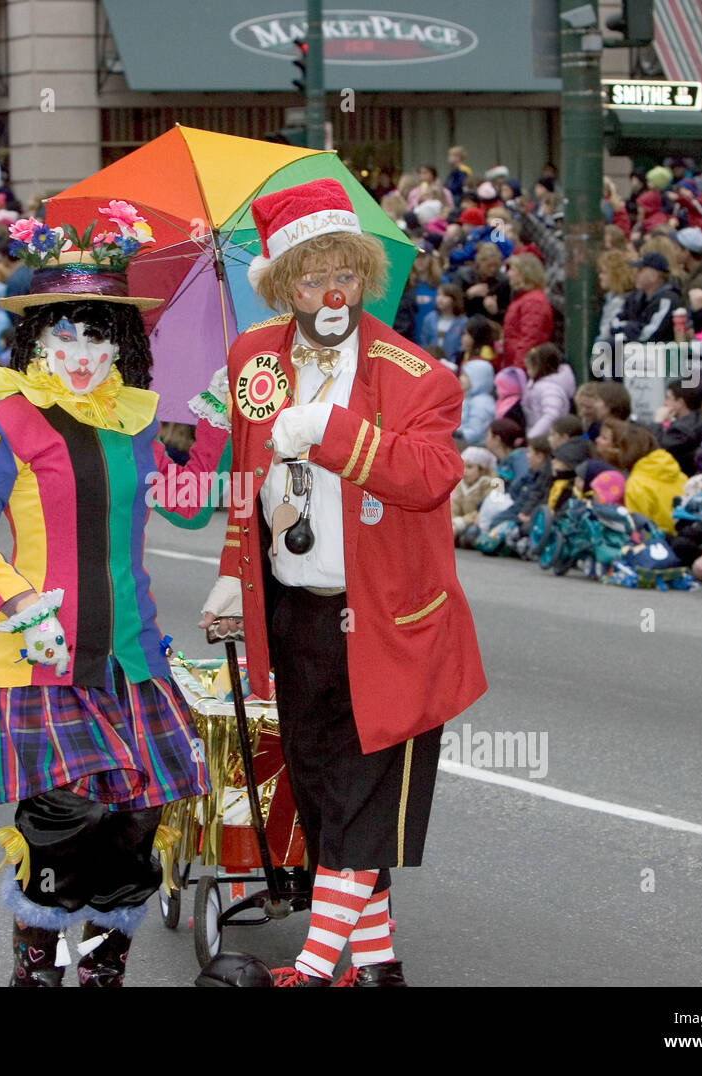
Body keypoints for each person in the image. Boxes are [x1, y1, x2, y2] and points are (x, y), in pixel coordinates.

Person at [198, 177, 486, 988]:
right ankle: (379, 961)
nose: (332, 291)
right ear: (284, 283)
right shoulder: (251, 356)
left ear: (364, 276)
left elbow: (430, 475)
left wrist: (331, 430)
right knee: (323, 786)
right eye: (312, 273)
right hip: (294, 609)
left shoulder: (414, 373)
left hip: (389, 618)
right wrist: (231, 576)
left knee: (363, 799)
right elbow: (244, 475)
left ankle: (320, 966)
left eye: (347, 273)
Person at [0, 212, 226, 988]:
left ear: (120, 347)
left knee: (134, 826)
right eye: (62, 339)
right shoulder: (8, 424)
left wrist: (215, 421)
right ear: (34, 344)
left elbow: (191, 503)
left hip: (133, 657)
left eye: (96, 340)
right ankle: (35, 976)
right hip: (44, 659)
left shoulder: (130, 423)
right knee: (63, 826)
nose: (78, 356)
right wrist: (22, 607)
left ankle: (103, 975)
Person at [596, 417, 687, 533]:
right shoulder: (677, 472)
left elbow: (639, 527)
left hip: (659, 542)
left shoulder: (636, 484)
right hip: (682, 535)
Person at [499, 254, 553, 370]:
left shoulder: (533, 301)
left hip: (524, 367)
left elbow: (530, 339)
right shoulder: (522, 298)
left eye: (513, 270)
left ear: (525, 273)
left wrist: (517, 370)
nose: (509, 274)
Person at [616, 252, 679, 344]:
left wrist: (629, 330)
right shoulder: (635, 297)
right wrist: (631, 328)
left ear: (654, 275)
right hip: (634, 350)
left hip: (657, 354)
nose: (635, 274)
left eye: (640, 270)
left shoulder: (667, 299)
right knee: (604, 345)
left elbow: (651, 334)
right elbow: (614, 323)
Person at [520, 342, 574, 439]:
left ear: (539, 366)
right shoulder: (535, 384)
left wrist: (532, 436)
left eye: (529, 367)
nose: (527, 371)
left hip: (545, 439)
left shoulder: (551, 389)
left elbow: (551, 415)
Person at [655, 379, 702, 474]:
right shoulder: (699, 419)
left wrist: (658, 421)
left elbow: (656, 449)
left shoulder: (680, 430)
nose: (665, 403)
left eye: (668, 398)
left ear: (680, 402)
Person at [451, 445, 497, 536]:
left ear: (482, 470)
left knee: (471, 533)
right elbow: (455, 505)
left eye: (469, 467)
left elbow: (483, 511)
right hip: (462, 522)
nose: (464, 471)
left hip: (476, 522)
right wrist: (452, 521)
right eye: (463, 466)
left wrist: (462, 522)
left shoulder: (488, 484)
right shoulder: (461, 484)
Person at [455, 357, 496, 446]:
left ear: (478, 378)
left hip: (473, 447)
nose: (460, 378)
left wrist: (454, 435)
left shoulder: (482, 402)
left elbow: (476, 432)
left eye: (465, 375)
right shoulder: (468, 398)